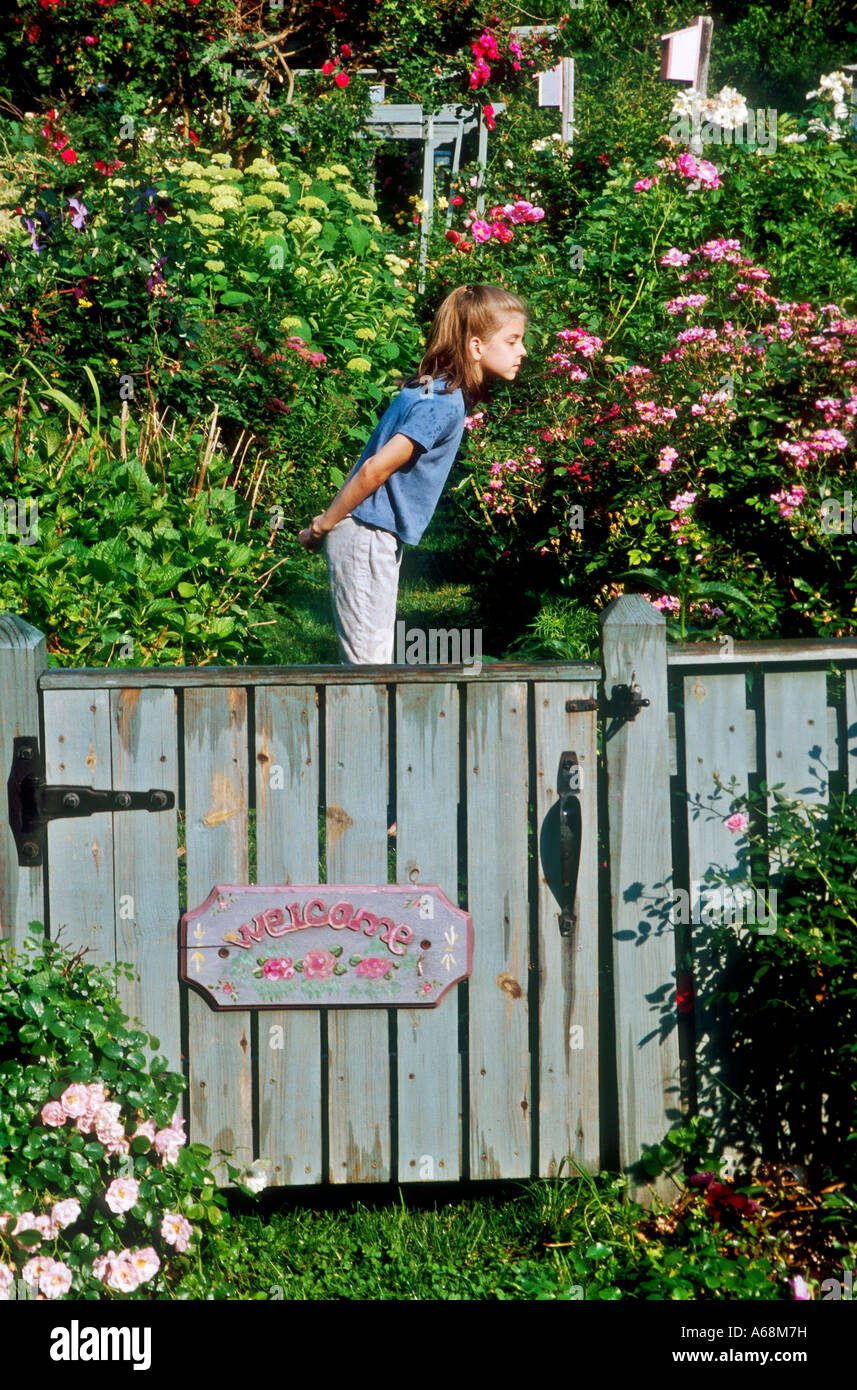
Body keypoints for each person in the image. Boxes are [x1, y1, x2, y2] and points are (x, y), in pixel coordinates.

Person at [297, 282, 528, 664]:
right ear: (476, 346)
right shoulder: (443, 403)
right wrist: (323, 524)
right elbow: (376, 468)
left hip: (370, 534)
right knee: (367, 670)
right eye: (513, 340)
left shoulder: (433, 388)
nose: (523, 351)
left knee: (371, 663)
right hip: (367, 535)